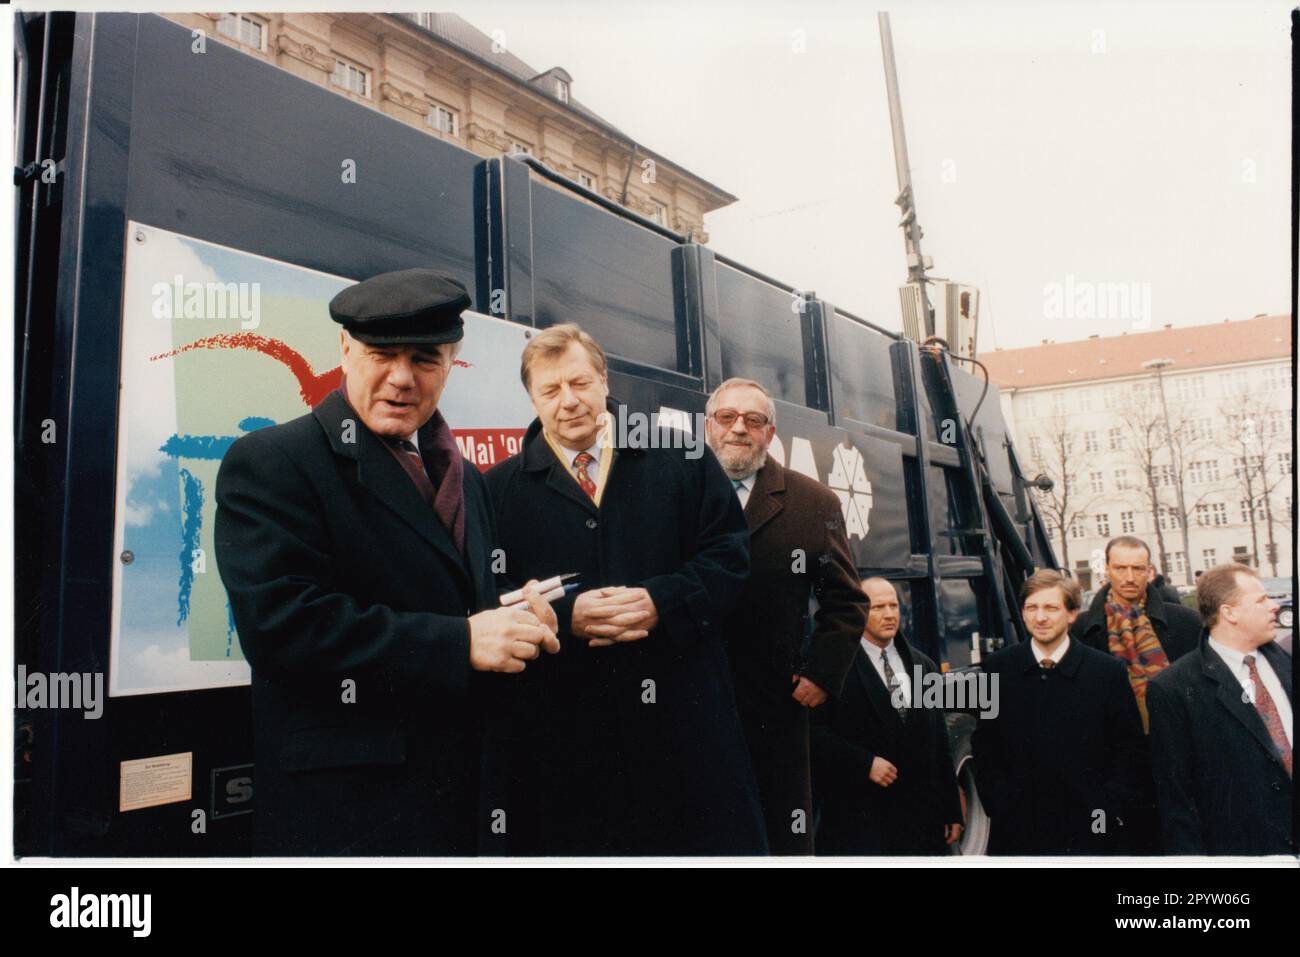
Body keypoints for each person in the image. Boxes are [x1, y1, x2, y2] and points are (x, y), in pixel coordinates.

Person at [214, 269, 558, 855]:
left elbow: (459, 603)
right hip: (350, 818)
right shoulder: (273, 461)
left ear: (452, 362)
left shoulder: (469, 480)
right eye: (381, 354)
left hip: (464, 808)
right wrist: (460, 642)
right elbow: (281, 625)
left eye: (425, 359)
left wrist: (517, 619)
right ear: (345, 350)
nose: (402, 379)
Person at [483, 323, 767, 855]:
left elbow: (729, 557)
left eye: (580, 383)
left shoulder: (681, 458)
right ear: (531, 397)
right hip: (564, 750)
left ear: (604, 380)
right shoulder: (496, 490)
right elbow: (487, 592)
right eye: (550, 390)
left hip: (683, 733)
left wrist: (662, 601)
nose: (568, 402)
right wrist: (565, 617)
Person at [705, 378, 864, 854]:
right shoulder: (677, 490)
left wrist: (821, 674)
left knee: (778, 834)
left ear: (769, 433)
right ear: (709, 426)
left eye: (753, 421)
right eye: (727, 418)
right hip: (693, 697)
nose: (739, 429)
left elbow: (847, 602)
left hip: (774, 706)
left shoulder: (813, 503)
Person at [974, 569, 1146, 855]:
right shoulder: (998, 668)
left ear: (1072, 614)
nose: (1040, 617)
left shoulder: (1106, 672)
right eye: (1032, 608)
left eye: (1051, 608)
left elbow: (1128, 748)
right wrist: (999, 801)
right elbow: (985, 744)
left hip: (1090, 828)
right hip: (1018, 830)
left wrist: (1107, 806)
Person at [1147, 563, 1293, 854]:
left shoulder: (1286, 662)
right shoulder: (1174, 688)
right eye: (1262, 600)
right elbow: (1176, 800)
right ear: (1230, 612)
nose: (1274, 607)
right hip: (1241, 855)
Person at [812, 578, 963, 855]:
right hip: (862, 823)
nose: (890, 614)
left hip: (921, 825)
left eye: (894, 605)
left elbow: (938, 741)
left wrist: (951, 808)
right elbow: (814, 735)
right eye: (878, 607)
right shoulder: (835, 666)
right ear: (859, 611)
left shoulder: (923, 664)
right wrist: (863, 763)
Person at [1070, 535, 1200, 729]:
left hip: (1175, 734)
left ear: (1149, 572)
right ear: (1107, 570)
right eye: (1120, 568)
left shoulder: (1187, 622)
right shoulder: (1080, 628)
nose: (1129, 578)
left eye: (1138, 569)